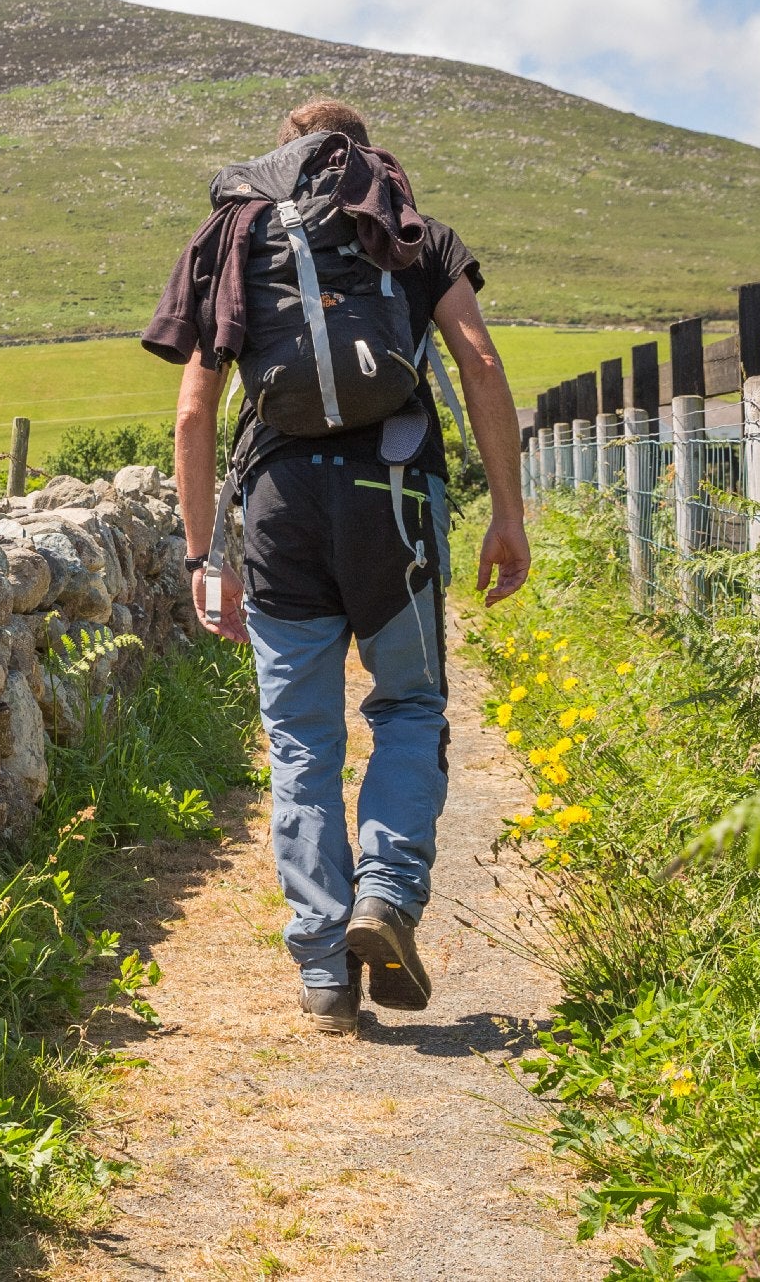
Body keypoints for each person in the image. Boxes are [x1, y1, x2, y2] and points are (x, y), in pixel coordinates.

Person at [143, 98, 530, 1032]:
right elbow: (480, 365)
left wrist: (202, 555)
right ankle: (386, 894)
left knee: (300, 739)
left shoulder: (240, 240)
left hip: (279, 510)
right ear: (363, 156)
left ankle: (324, 971)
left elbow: (194, 412)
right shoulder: (413, 233)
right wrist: (507, 514)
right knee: (408, 706)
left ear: (282, 159)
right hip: (391, 499)